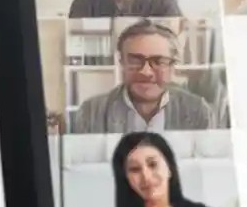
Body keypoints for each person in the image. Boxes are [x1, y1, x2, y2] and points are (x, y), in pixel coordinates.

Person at [72, 21, 217, 134]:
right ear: (122, 62)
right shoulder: (90, 112)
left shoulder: (198, 111)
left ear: (172, 66)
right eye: (135, 60)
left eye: (158, 61)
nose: (146, 72)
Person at [97, 132, 220, 207]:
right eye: (135, 169)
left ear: (170, 168)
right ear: (125, 178)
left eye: (153, 164)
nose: (146, 176)